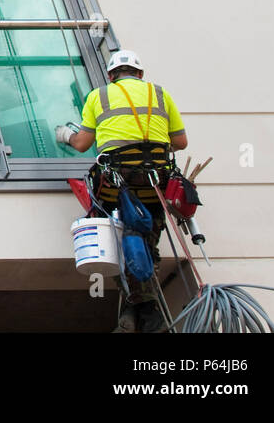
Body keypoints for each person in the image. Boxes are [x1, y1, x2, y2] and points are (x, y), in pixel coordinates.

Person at [57, 49, 188, 333]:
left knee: (116, 243)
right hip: (154, 185)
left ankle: (140, 310)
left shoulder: (98, 96)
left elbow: (81, 143)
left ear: (110, 76)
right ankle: (140, 310)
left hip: (116, 187)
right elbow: (181, 141)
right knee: (146, 244)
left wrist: (63, 135)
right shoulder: (161, 95)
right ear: (140, 74)